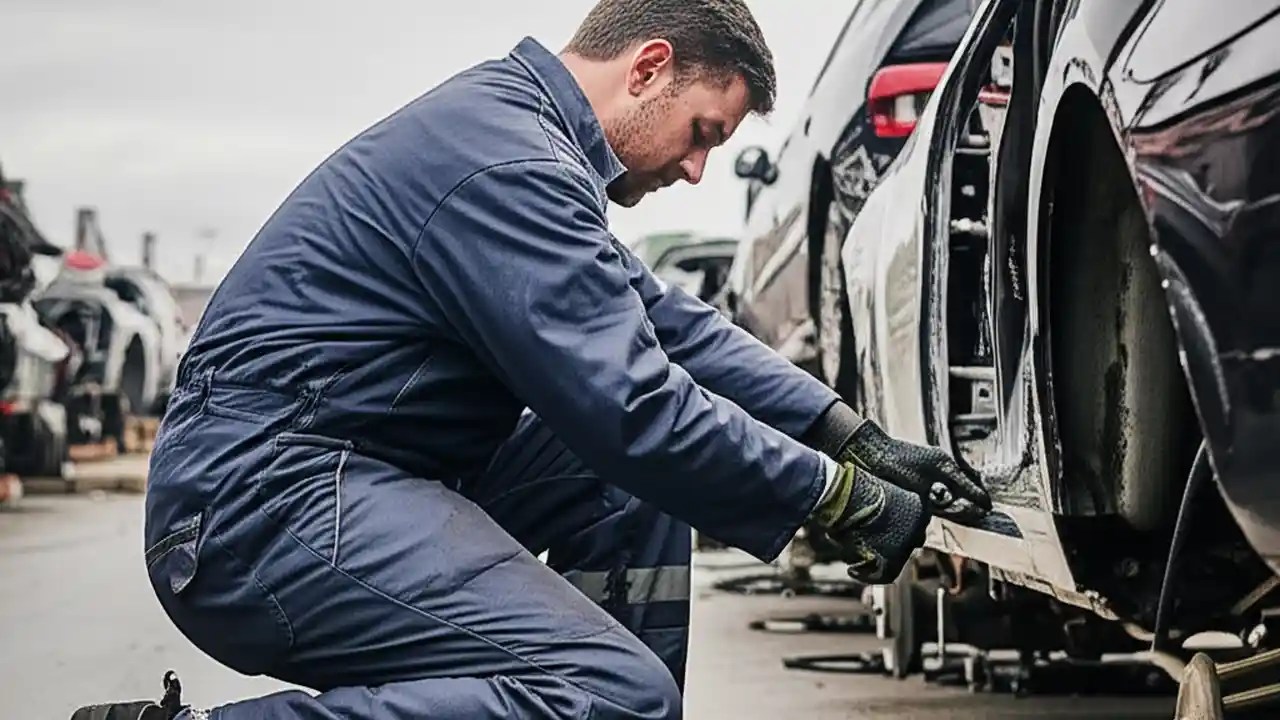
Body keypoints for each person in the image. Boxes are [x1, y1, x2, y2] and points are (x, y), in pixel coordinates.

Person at [72, 1, 989, 718]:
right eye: (705, 133)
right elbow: (634, 405)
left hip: (345, 472)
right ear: (650, 67)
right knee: (608, 690)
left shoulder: (526, 144)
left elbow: (671, 326)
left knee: (627, 496)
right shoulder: (508, 164)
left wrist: (849, 434)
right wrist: (834, 497)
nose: (699, 169)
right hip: (253, 509)